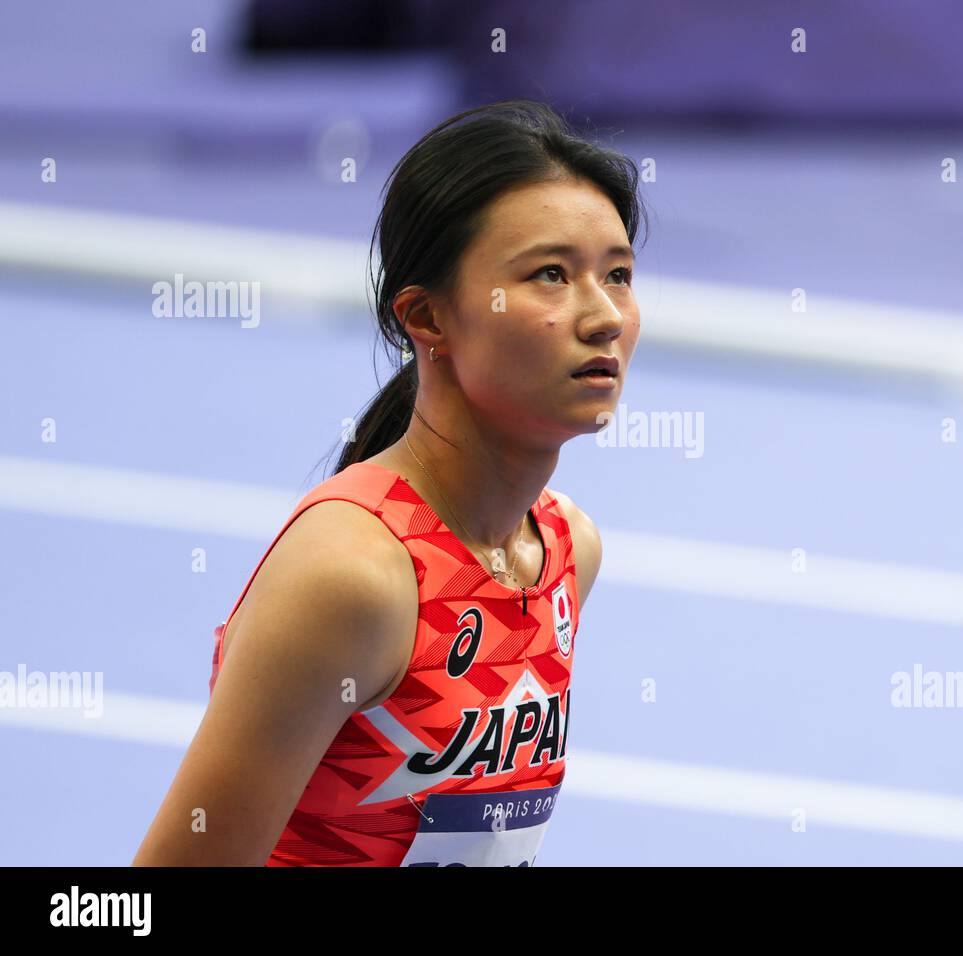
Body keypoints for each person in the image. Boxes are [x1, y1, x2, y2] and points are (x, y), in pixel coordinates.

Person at [133, 99, 645, 866]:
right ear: (427, 318)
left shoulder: (569, 550)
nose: (604, 315)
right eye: (550, 275)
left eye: (618, 274)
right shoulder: (353, 579)